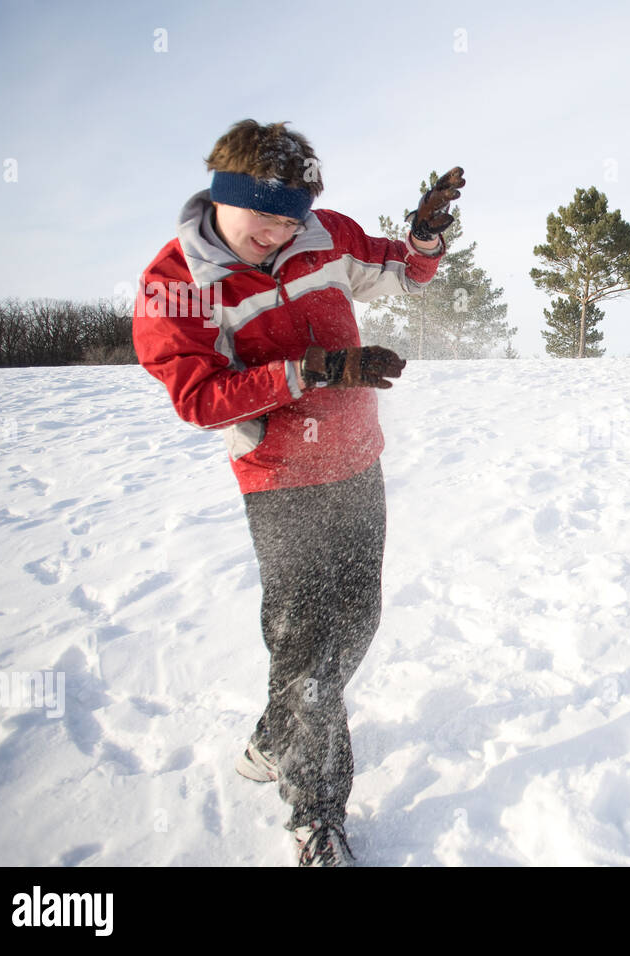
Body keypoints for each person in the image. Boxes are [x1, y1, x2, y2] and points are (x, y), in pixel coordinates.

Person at [133, 119, 464, 866]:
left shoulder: (323, 235)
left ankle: (272, 735)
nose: (281, 233)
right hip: (281, 479)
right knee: (306, 648)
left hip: (357, 457)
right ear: (225, 195)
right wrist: (310, 369)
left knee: (357, 619)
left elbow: (406, 273)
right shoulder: (178, 284)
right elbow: (198, 397)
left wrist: (425, 235)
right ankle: (316, 817)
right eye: (266, 217)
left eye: (294, 217)